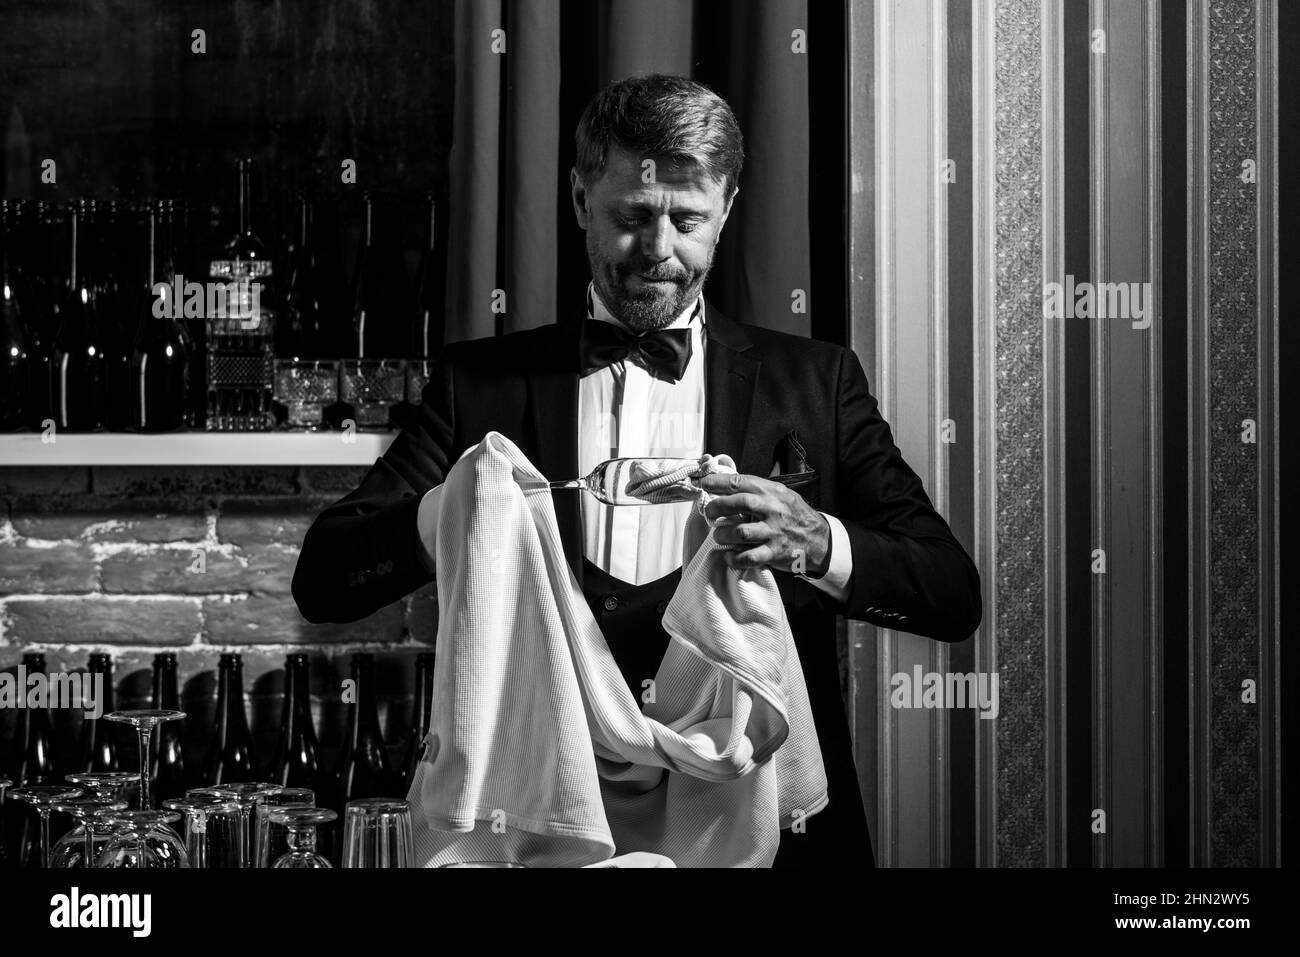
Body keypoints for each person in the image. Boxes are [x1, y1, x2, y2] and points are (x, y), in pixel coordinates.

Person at [291, 73, 981, 868]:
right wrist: (458, 506)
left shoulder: (814, 382)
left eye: (688, 220)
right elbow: (326, 578)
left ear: (725, 211)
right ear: (582, 199)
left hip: (768, 835)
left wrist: (815, 541)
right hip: (547, 829)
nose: (659, 251)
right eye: (632, 217)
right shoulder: (480, 384)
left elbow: (951, 592)